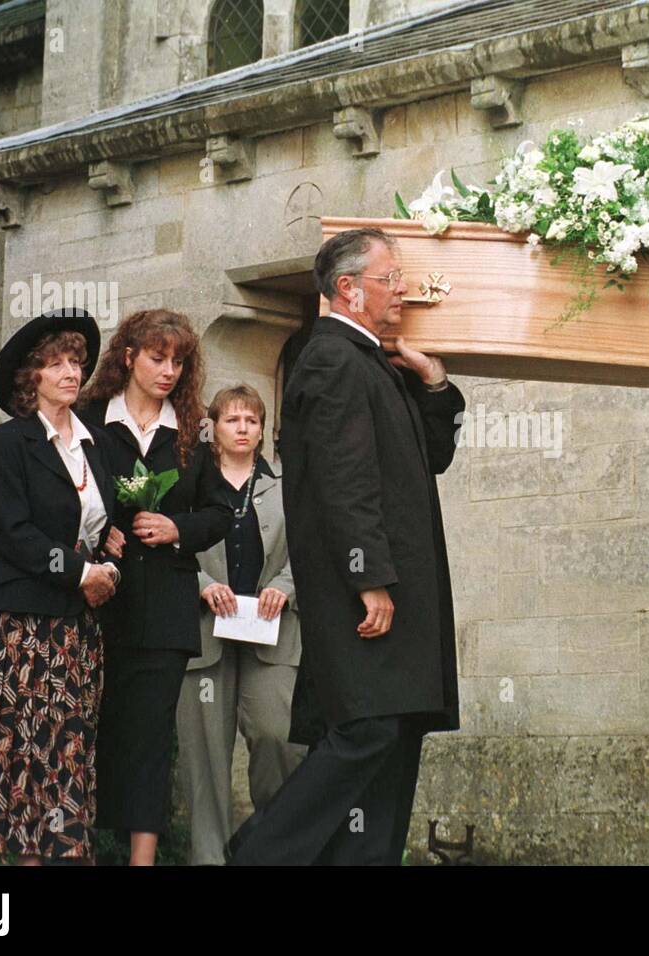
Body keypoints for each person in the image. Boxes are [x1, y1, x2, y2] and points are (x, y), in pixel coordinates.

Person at [228, 227, 465, 865]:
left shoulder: (370, 364)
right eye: (393, 279)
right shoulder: (332, 359)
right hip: (363, 592)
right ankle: (258, 856)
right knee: (368, 728)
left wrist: (435, 384)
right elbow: (343, 480)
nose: (405, 290)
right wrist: (369, 577)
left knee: (397, 731)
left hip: (394, 588)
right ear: (349, 289)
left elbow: (428, 459)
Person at [0, 309, 123, 865]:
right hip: (16, 626)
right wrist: (81, 573)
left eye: (77, 361)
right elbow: (14, 532)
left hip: (75, 630)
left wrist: (107, 563)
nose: (70, 372)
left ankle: (43, 856)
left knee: (58, 754)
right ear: (29, 377)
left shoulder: (96, 445)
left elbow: (102, 530)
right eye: (55, 362)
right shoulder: (6, 442)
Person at [80, 309, 231, 865]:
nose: (169, 370)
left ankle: (141, 861)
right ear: (129, 356)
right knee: (91, 731)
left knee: (149, 737)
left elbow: (220, 511)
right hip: (98, 603)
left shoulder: (194, 429)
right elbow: (67, 496)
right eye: (157, 357)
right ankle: (77, 849)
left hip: (166, 608)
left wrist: (177, 528)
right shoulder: (89, 418)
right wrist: (102, 536)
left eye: (179, 361)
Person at [176, 384, 305, 865]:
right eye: (232, 420)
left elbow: (308, 553)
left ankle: (272, 850)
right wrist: (203, 583)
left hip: (270, 633)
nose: (243, 428)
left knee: (278, 737)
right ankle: (209, 860)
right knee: (205, 759)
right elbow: (169, 545)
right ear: (214, 429)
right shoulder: (190, 486)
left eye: (252, 420)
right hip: (207, 634)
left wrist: (285, 587)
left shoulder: (286, 487)